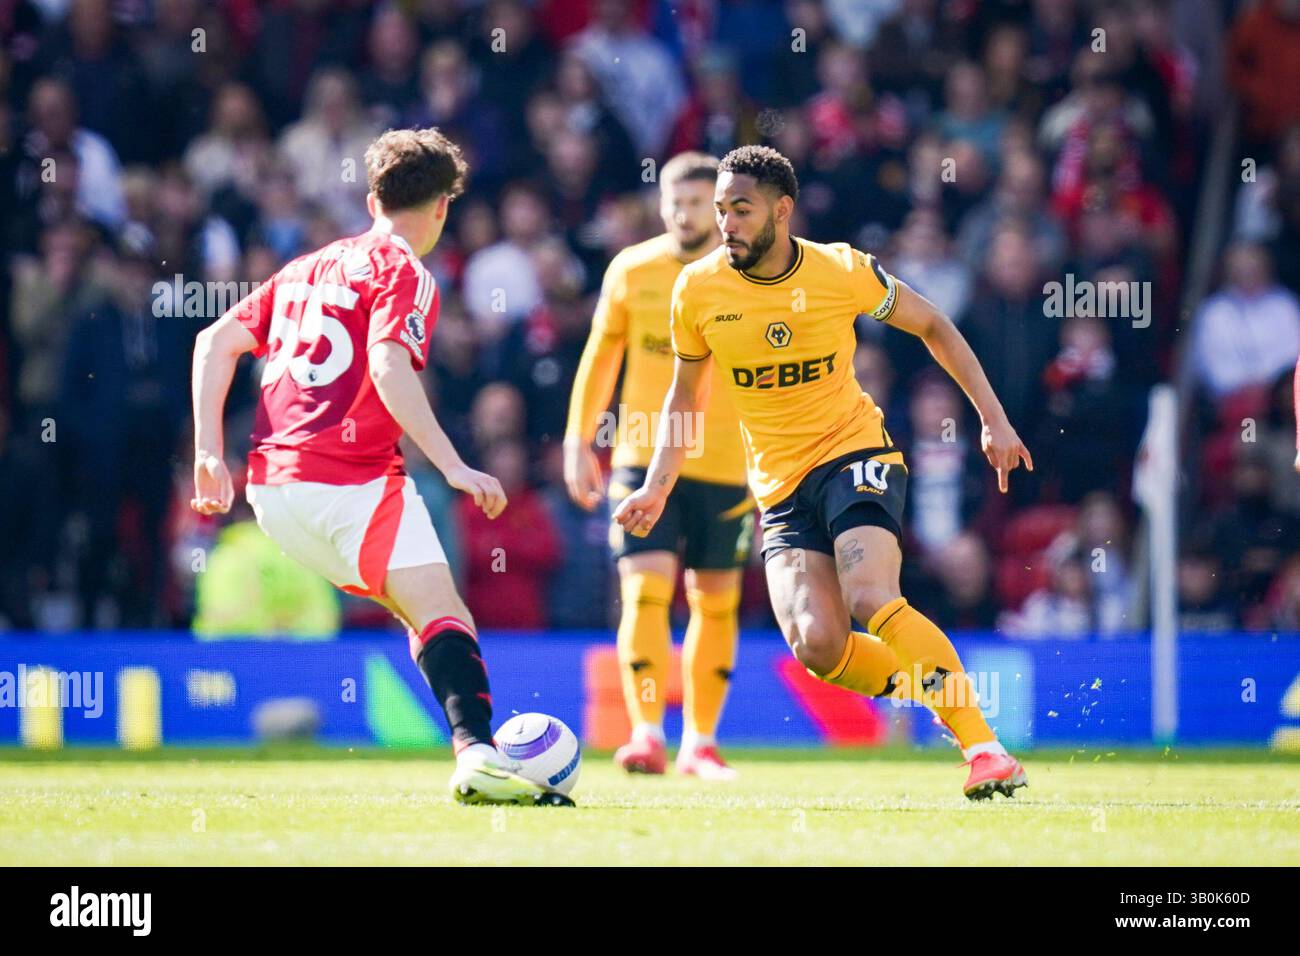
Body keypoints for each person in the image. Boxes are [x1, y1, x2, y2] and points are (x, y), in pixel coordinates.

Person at [614, 146, 1033, 799]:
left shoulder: (840, 269)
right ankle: (935, 684)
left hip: (854, 453)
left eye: (740, 209)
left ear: (782, 210)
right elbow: (683, 396)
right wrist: (656, 483)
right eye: (721, 209)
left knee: (870, 596)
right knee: (818, 647)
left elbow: (933, 324)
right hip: (779, 488)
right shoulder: (697, 288)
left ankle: (983, 748)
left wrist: (992, 418)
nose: (725, 222)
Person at [189, 127, 570, 807]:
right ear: (444, 206)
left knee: (421, 616)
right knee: (444, 611)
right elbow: (389, 366)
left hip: (273, 492)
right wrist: (454, 465)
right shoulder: (407, 274)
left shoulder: (306, 266)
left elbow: (213, 341)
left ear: (372, 199)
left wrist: (208, 452)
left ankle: (476, 751)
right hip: (349, 483)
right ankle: (478, 754)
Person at [565, 152, 752, 779]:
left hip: (728, 461)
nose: (685, 213)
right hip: (643, 455)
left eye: (699, 203)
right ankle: (646, 733)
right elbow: (600, 358)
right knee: (643, 592)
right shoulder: (633, 269)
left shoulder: (747, 276)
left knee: (715, 602)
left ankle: (700, 742)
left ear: (721, 209)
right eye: (676, 202)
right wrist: (577, 439)